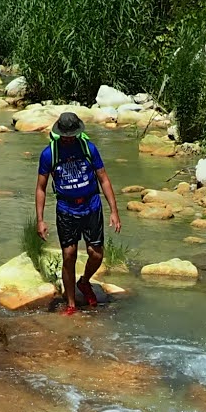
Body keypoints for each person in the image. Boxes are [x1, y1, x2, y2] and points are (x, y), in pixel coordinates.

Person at [35, 112, 121, 314]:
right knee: (69, 254)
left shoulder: (88, 148)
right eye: (65, 135)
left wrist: (114, 211)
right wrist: (40, 220)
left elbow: (104, 179)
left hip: (91, 205)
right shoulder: (49, 154)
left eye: (71, 134)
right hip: (66, 209)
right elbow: (41, 188)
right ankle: (71, 304)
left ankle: (85, 281)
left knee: (96, 254)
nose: (68, 138)